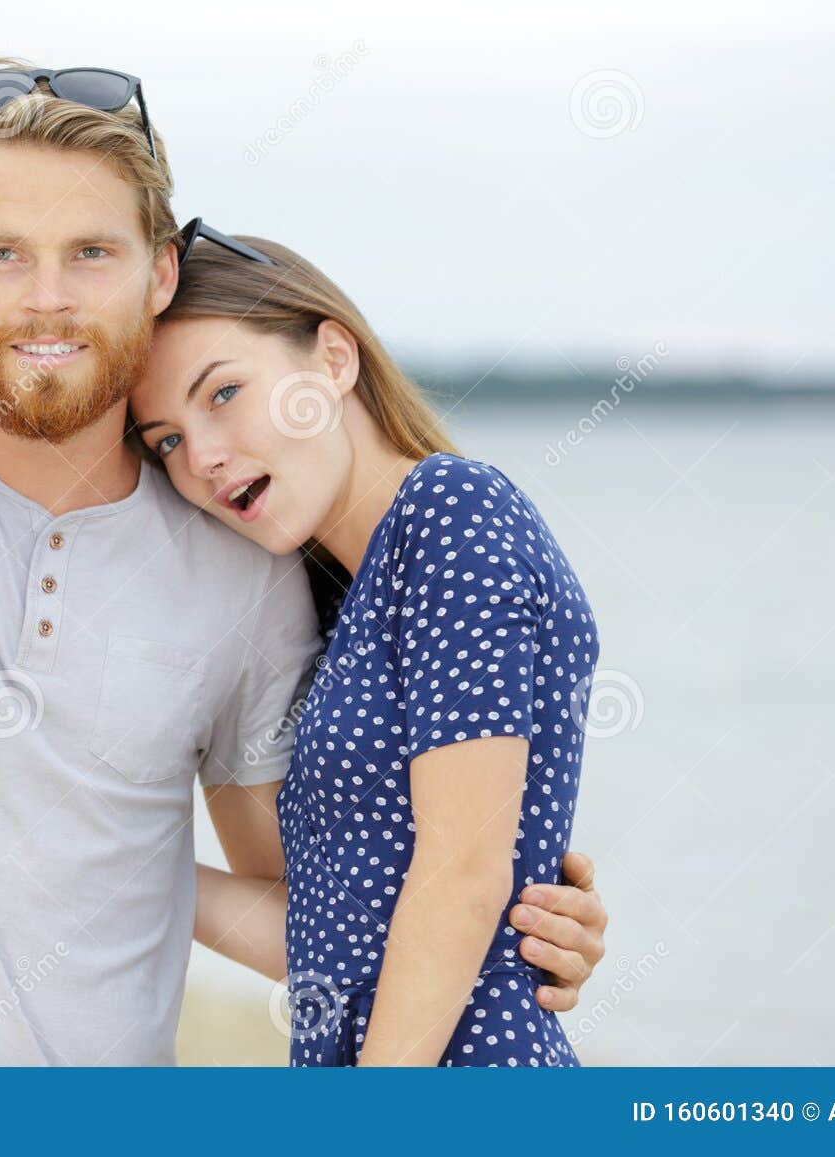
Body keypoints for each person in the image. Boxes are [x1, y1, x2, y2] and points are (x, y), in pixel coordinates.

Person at [0, 56, 608, 1065]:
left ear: (158, 273)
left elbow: (317, 904)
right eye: (2, 252)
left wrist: (509, 921)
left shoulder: (247, 568)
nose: (48, 298)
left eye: (91, 251)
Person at [130, 231, 602, 1066]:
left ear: (335, 358)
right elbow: (331, 937)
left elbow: (461, 876)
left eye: (225, 393)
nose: (200, 457)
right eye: (166, 439)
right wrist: (118, 870)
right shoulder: (345, 603)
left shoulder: (451, 513)